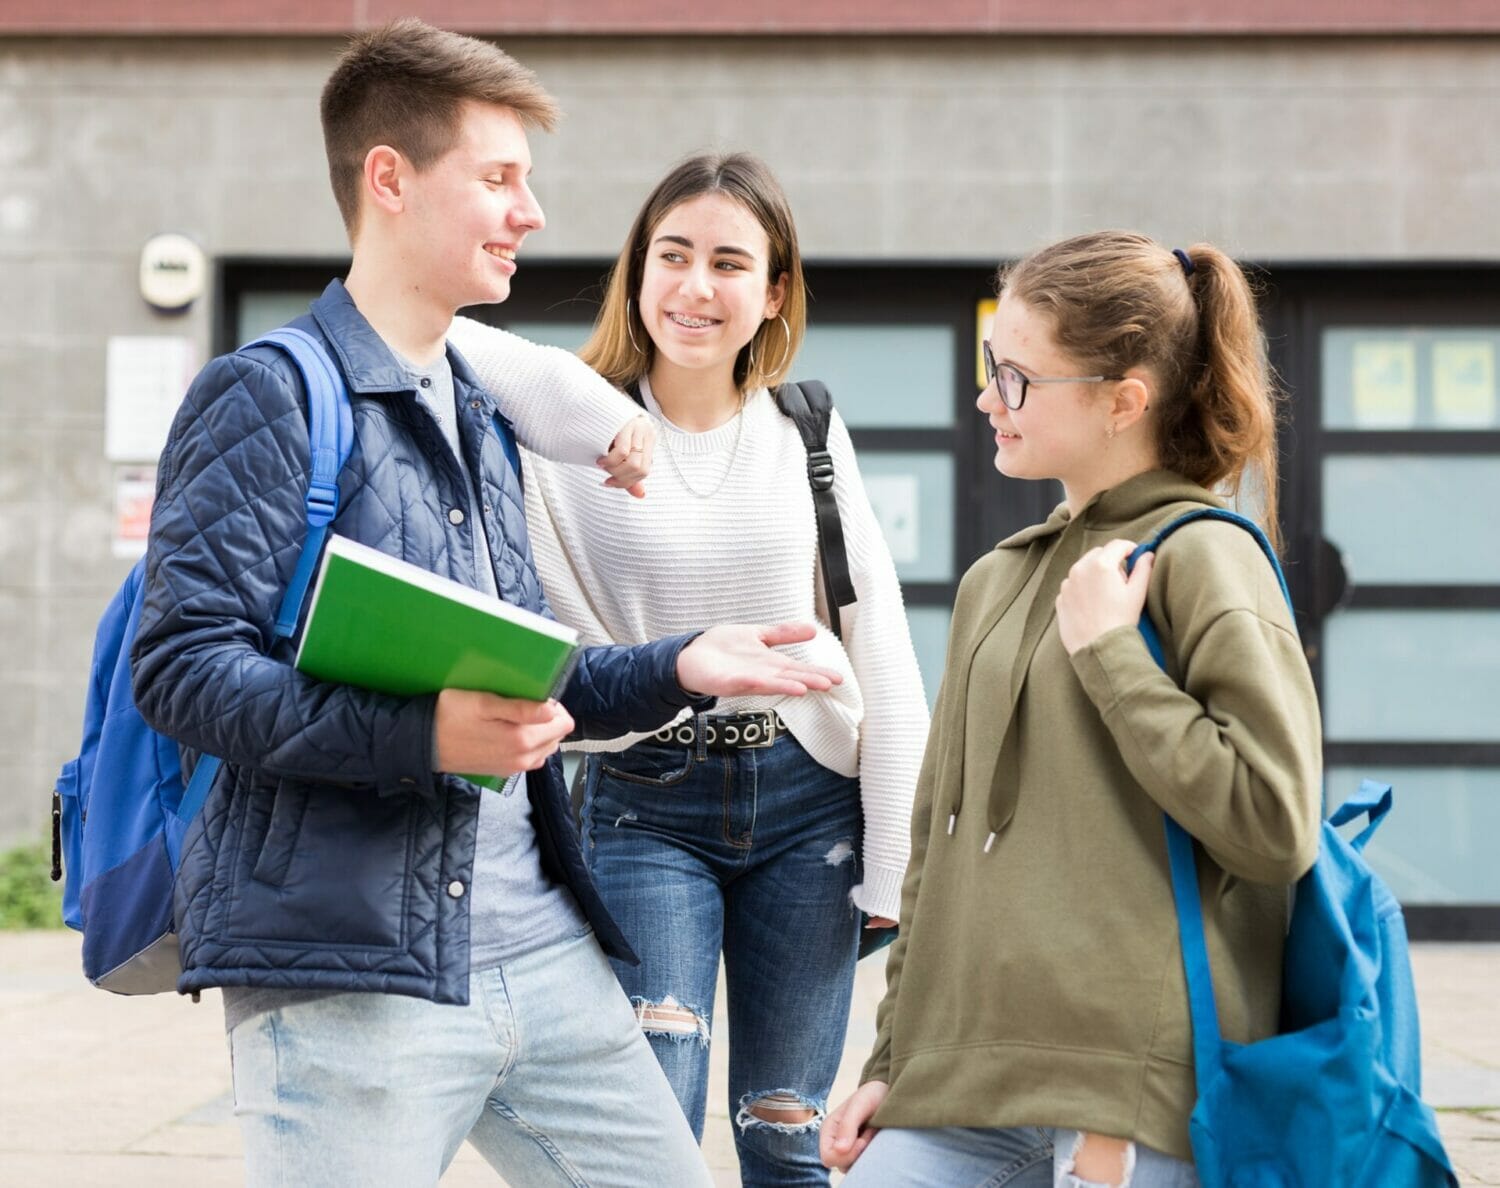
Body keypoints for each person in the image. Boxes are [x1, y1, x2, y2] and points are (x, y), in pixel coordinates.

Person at [130, 20, 844, 1188]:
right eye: (501, 178)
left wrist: (680, 666)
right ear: (392, 180)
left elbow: (530, 673)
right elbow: (183, 667)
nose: (533, 212)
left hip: (546, 960)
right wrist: (420, 737)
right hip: (349, 986)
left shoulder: (477, 406)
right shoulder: (262, 395)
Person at [452, 152, 929, 1186]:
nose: (695, 287)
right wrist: (577, 404)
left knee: (786, 1139)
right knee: (649, 1143)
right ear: (635, 273)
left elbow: (877, 638)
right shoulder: (563, 431)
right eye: (671, 256)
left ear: (773, 292)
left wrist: (896, 853)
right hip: (642, 804)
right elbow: (434, 331)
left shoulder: (805, 428)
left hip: (812, 808)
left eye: (727, 262)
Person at [820, 230, 1324, 1188]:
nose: (984, 400)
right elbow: (938, 847)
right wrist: (895, 1059)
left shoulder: (1207, 556)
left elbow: (1274, 825)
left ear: (1122, 401)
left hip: (1125, 1087)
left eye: (1014, 378)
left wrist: (1114, 658)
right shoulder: (994, 580)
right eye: (987, 367)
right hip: (965, 1075)